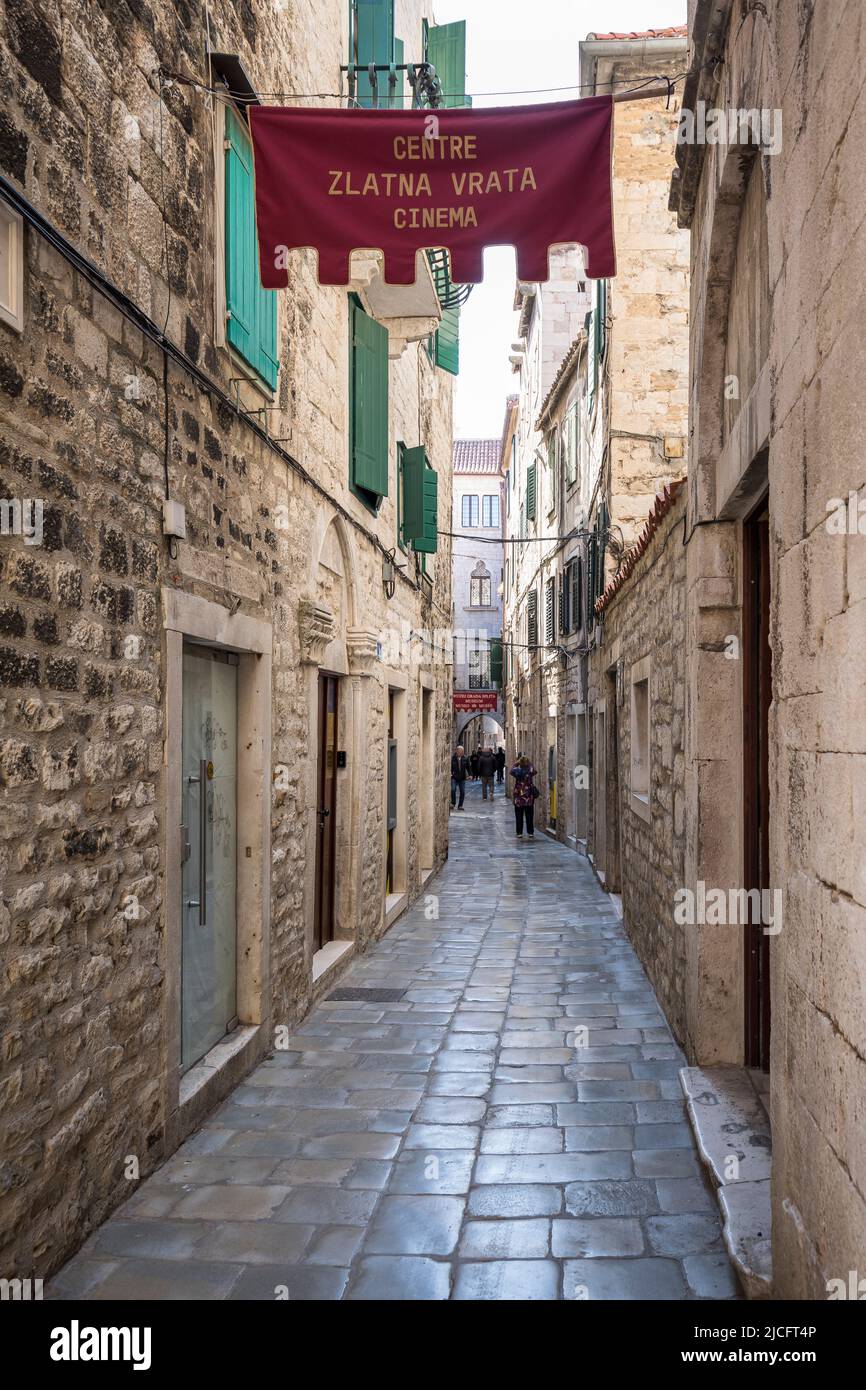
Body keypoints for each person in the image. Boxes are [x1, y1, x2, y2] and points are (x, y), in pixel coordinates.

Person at [510, 755, 538, 838]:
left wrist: (516, 763)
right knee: (529, 815)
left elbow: (511, 771)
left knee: (519, 815)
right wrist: (529, 763)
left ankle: (519, 833)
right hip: (529, 796)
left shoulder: (517, 771)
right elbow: (535, 771)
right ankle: (530, 832)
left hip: (519, 796)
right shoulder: (530, 770)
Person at [451, 745, 468, 810]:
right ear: (457, 751)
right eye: (460, 751)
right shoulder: (453, 758)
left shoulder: (465, 758)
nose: (461, 753)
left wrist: (470, 774)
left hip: (462, 778)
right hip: (454, 777)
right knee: (453, 790)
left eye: (462, 751)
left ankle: (460, 805)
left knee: (462, 792)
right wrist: (451, 773)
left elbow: (468, 767)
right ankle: (453, 803)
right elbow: (450, 767)